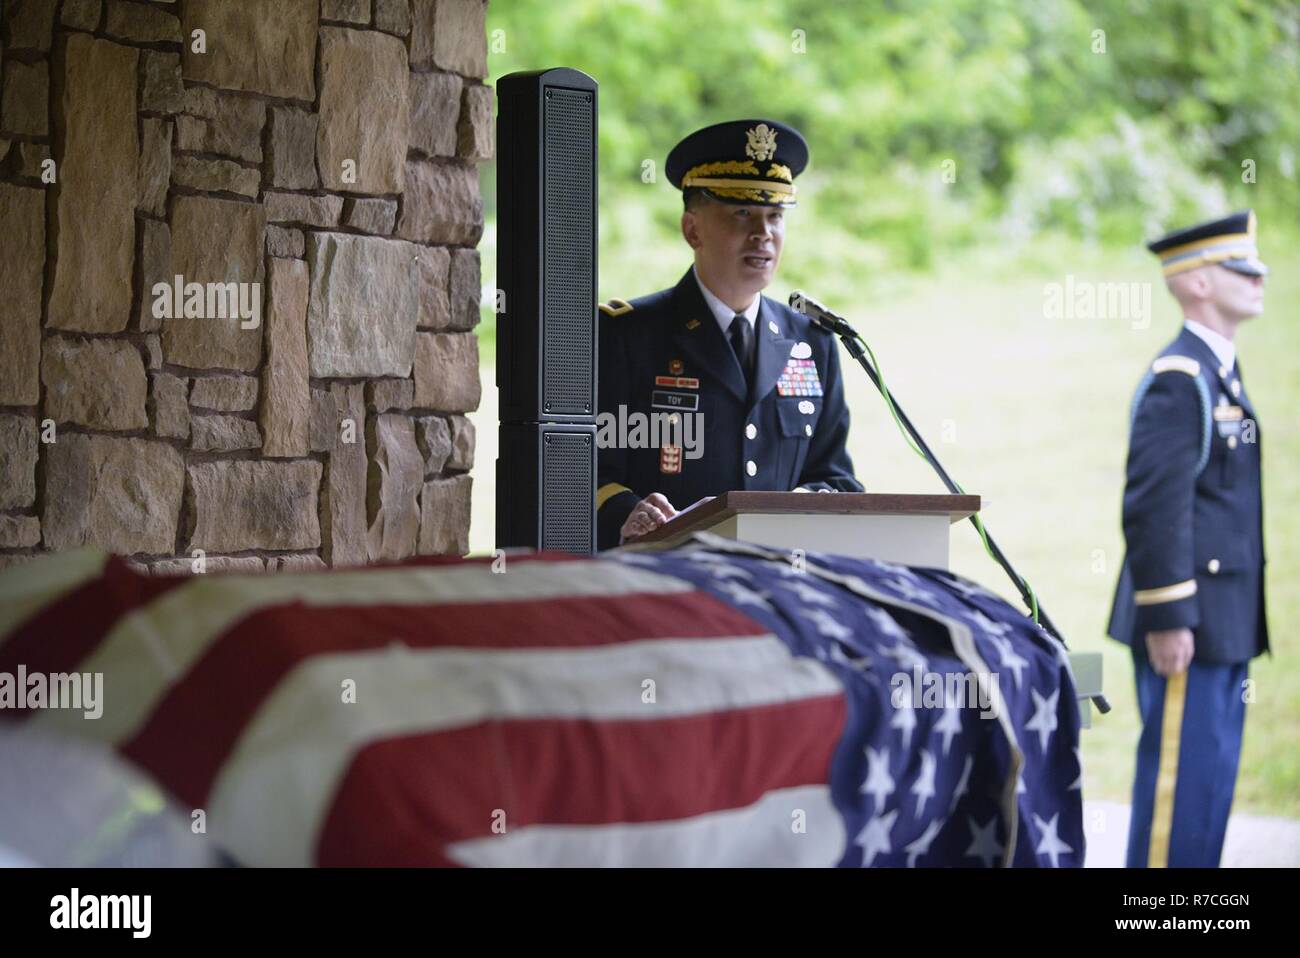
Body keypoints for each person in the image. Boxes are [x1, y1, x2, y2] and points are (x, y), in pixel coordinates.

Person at [596, 119, 862, 549]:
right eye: (742, 213)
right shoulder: (627, 336)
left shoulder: (812, 342)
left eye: (775, 216)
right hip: (667, 575)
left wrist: (804, 506)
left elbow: (835, 476)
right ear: (692, 230)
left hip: (780, 579)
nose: (764, 234)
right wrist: (628, 512)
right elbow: (585, 471)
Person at [1107, 209, 1270, 868]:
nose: (1259, 277)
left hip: (1222, 620)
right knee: (1179, 795)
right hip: (1188, 623)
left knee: (1207, 790)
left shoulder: (1216, 370)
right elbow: (1153, 506)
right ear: (1197, 282)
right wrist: (1170, 614)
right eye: (1241, 266)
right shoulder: (1182, 379)